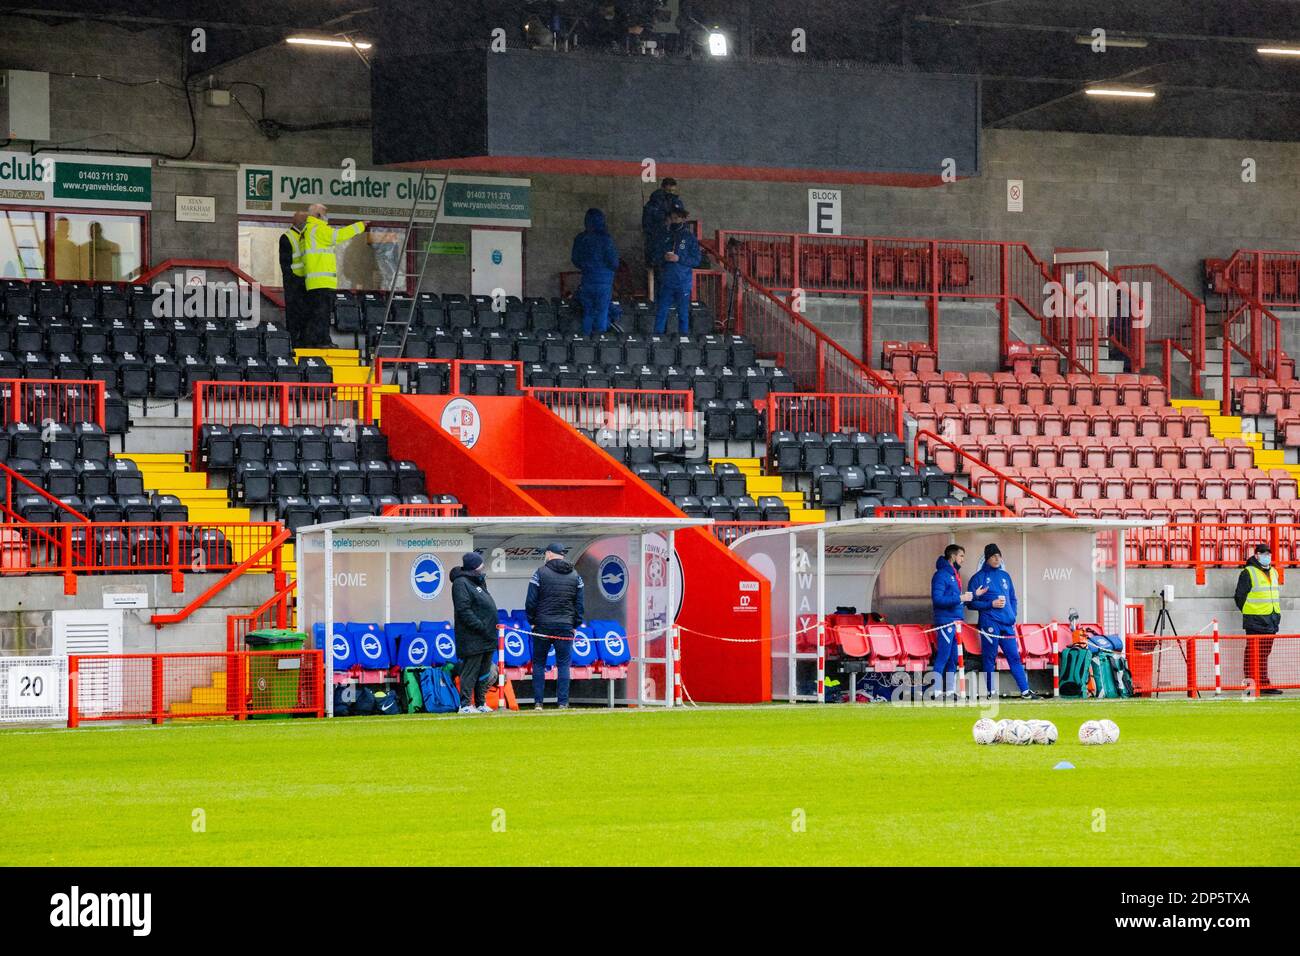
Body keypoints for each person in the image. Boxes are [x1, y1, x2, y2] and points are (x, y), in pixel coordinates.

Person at [966, 543, 1039, 699]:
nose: (997, 558)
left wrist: (1012, 615)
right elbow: (970, 603)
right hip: (990, 624)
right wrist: (990, 604)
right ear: (987, 558)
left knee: (1014, 656)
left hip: (1007, 624)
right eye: (994, 556)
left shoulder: (1005, 576)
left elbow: (1012, 598)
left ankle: (1025, 691)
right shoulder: (978, 578)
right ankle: (991, 692)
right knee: (989, 657)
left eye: (999, 555)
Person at [525, 542, 585, 710]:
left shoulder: (540, 573)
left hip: (542, 625)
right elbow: (579, 604)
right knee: (564, 664)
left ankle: (538, 703)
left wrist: (532, 621)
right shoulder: (575, 575)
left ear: (550, 554)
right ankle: (563, 702)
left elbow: (531, 601)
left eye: (546, 553)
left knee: (538, 663)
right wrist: (575, 624)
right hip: (565, 626)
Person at [300, 202, 366, 347]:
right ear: (318, 215)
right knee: (322, 314)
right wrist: (360, 226)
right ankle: (322, 342)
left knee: (316, 314)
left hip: (313, 281)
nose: (327, 215)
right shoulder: (318, 229)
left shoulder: (307, 230)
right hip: (322, 280)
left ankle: (311, 342)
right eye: (325, 212)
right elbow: (339, 235)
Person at [451, 551, 499, 714]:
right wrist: (480, 626)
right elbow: (463, 610)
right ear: (473, 566)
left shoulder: (478, 581)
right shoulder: (461, 583)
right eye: (480, 563)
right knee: (470, 671)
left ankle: (480, 702)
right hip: (472, 637)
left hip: (487, 636)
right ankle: (465, 705)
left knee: (484, 672)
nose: (482, 566)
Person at [1235, 543, 1282, 694]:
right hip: (1255, 620)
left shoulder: (1274, 572)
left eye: (1269, 553)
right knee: (1252, 654)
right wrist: (1250, 612)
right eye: (1263, 553)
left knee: (1264, 654)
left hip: (1271, 618)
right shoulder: (1248, 572)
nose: (1267, 556)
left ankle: (1263, 683)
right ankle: (1251, 685)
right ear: (1256, 555)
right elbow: (1239, 596)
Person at [930, 543, 973, 702]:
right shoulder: (941, 575)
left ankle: (949, 691)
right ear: (953, 556)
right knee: (943, 655)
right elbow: (938, 599)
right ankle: (935, 691)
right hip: (946, 621)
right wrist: (959, 598)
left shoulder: (954, 574)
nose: (963, 560)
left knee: (953, 657)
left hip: (956, 621)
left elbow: (954, 599)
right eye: (961, 556)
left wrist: (969, 597)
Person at [570, 207, 619, 337]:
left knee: (588, 312)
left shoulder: (580, 238)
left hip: (587, 279)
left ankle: (586, 342)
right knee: (602, 312)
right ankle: (600, 341)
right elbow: (614, 261)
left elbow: (575, 259)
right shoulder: (606, 239)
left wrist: (586, 267)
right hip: (604, 281)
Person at [653, 206, 701, 335]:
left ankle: (683, 342)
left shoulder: (689, 237)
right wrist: (663, 257)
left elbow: (696, 260)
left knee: (683, 314)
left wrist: (679, 258)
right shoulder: (663, 236)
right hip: (666, 282)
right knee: (661, 312)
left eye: (677, 218)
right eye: (672, 218)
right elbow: (655, 256)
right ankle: (658, 340)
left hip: (683, 283)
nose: (674, 221)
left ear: (683, 219)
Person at [278, 211, 308, 348]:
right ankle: (294, 344)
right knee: (294, 315)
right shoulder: (287, 237)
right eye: (305, 221)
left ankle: (304, 341)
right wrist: (291, 283)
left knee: (306, 315)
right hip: (294, 284)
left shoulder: (308, 236)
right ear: (298, 222)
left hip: (307, 283)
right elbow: (285, 264)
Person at [641, 177, 682, 273]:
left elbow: (682, 217)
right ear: (662, 188)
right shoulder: (652, 205)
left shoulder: (676, 202)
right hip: (656, 240)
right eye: (668, 190)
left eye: (673, 191)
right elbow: (647, 225)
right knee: (656, 271)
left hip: (671, 241)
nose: (671, 193)